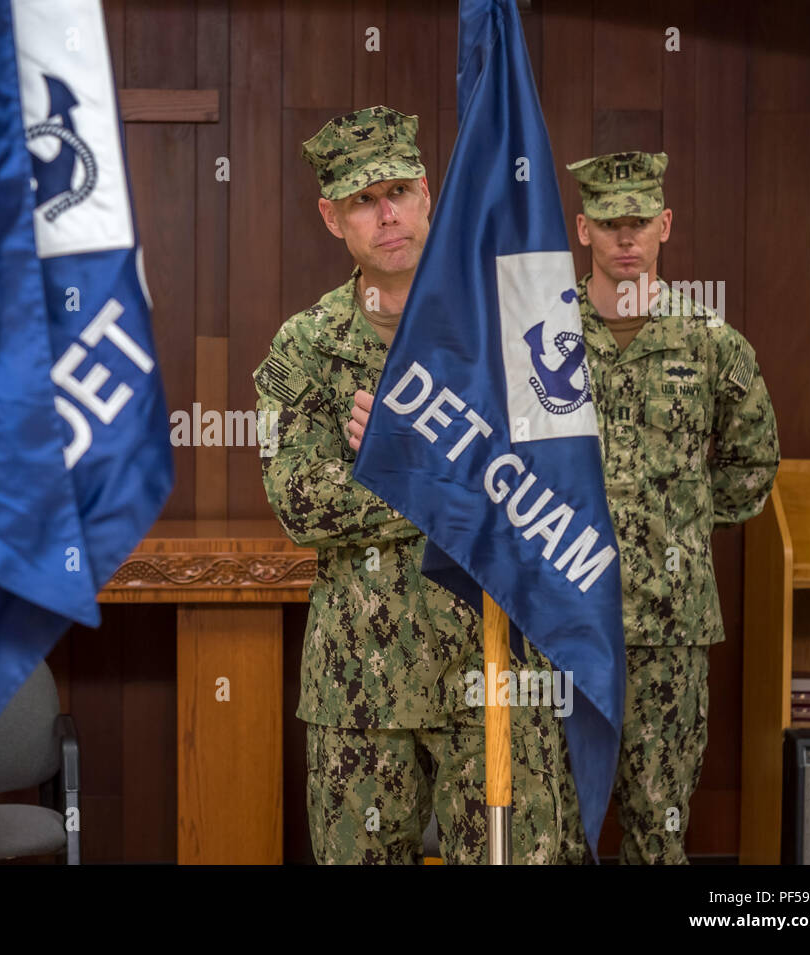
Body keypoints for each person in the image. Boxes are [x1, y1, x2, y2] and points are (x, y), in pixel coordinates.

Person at [254, 106, 565, 864]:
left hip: (496, 667)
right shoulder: (307, 345)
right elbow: (299, 505)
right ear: (332, 217)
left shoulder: (514, 327)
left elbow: (557, 484)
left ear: (428, 193)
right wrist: (450, 467)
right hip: (361, 686)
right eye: (362, 200)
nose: (385, 213)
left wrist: (392, 456)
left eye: (397, 189)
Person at [556, 152, 780, 864]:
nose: (628, 238)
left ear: (666, 225)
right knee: (557, 830)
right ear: (583, 227)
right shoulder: (542, 339)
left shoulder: (710, 343)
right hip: (561, 619)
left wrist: (676, 522)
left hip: (668, 627)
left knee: (660, 831)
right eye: (612, 222)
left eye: (641, 221)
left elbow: (754, 462)